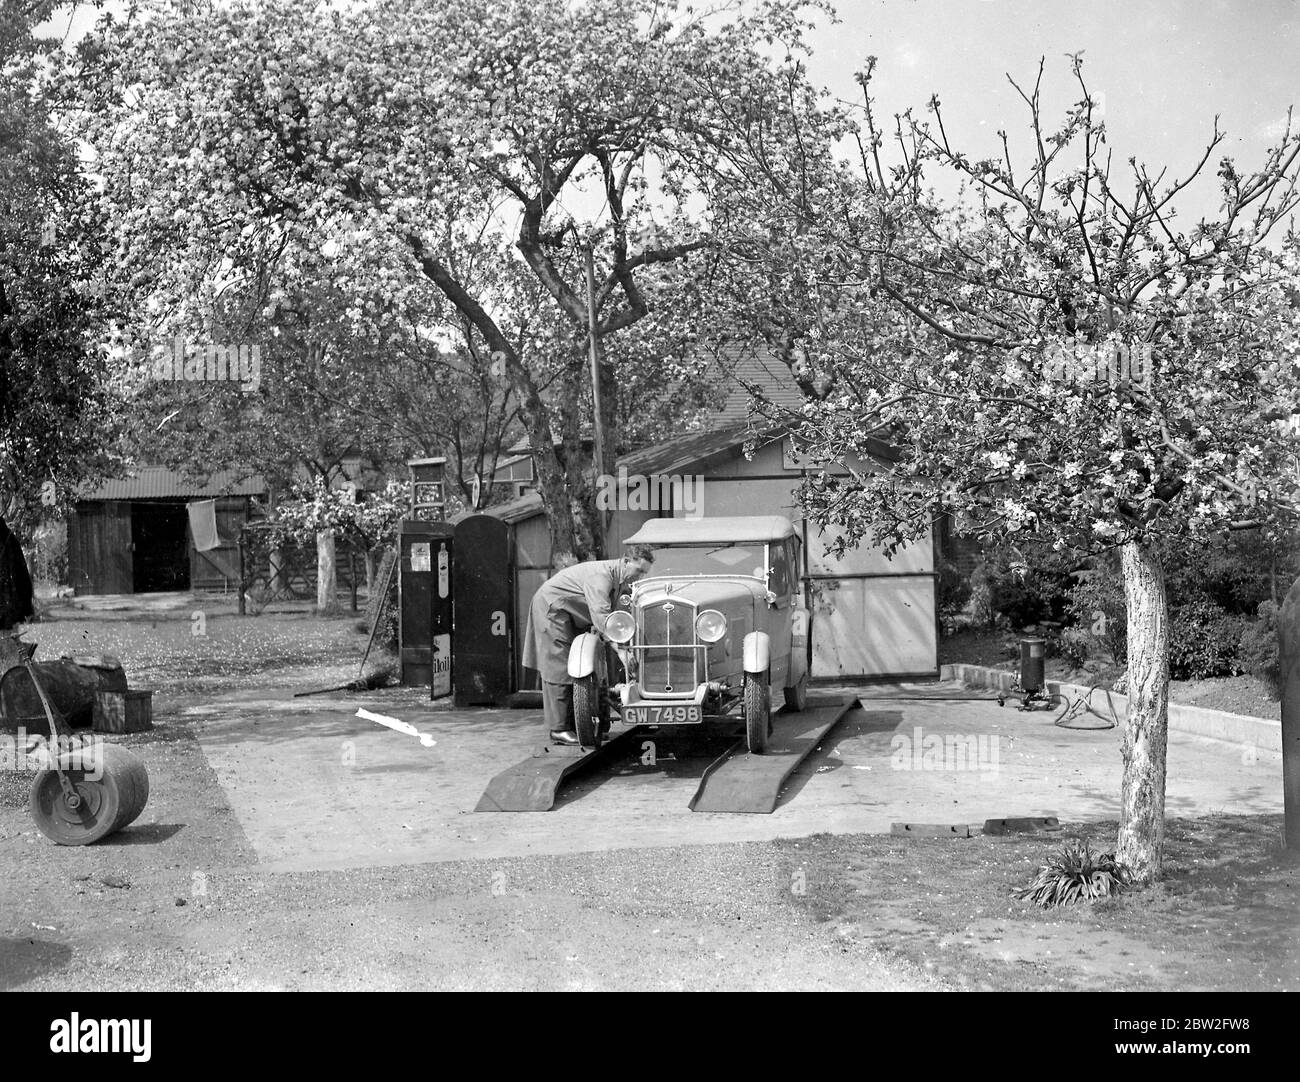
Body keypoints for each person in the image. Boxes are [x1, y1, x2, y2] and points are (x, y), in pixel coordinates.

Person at [522, 545, 655, 744]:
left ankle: (579, 724)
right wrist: (621, 651)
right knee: (559, 666)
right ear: (626, 562)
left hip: (572, 613)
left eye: (644, 573)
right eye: (639, 571)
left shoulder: (619, 577)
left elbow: (617, 618)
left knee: (585, 664)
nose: (640, 577)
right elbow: (602, 616)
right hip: (553, 609)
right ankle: (558, 729)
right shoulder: (601, 577)